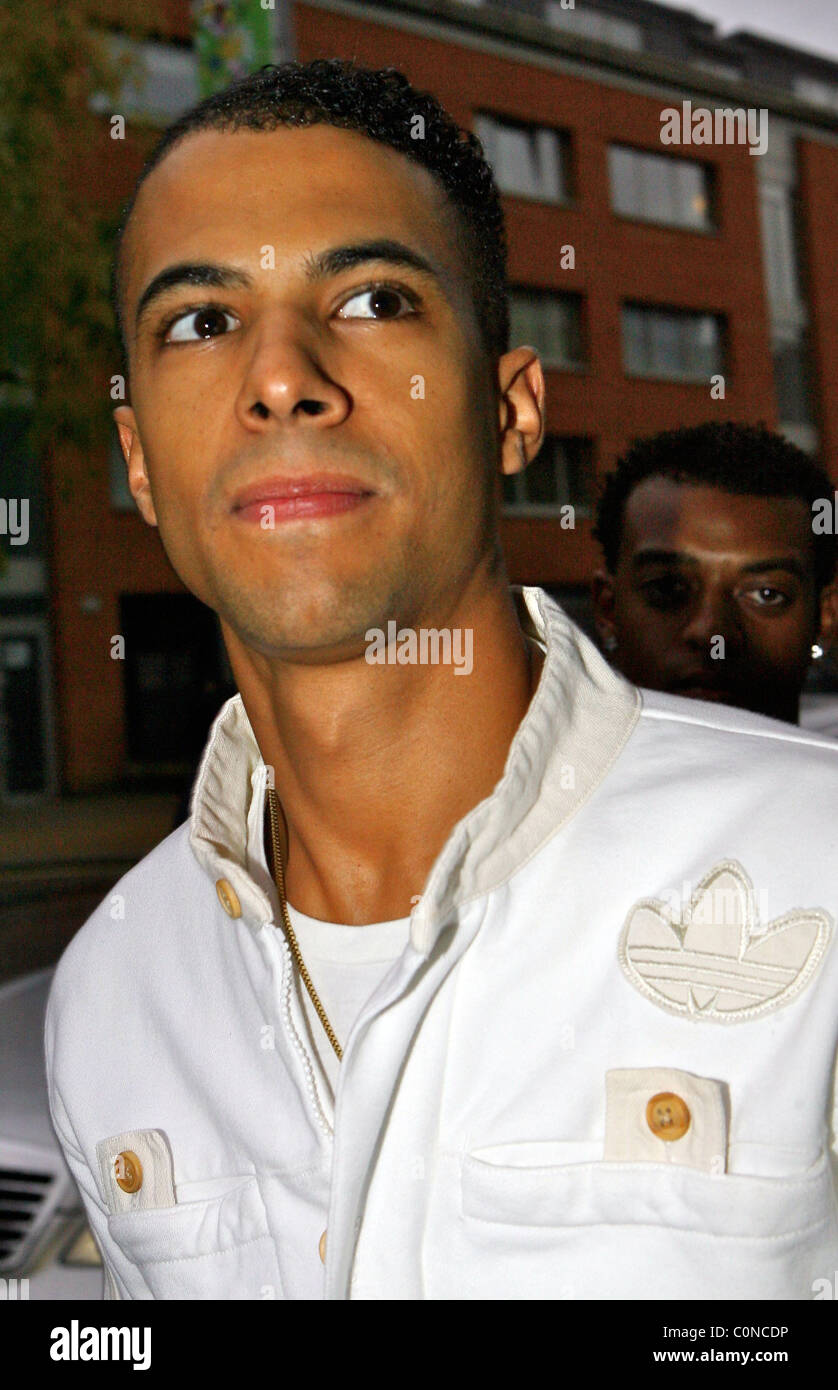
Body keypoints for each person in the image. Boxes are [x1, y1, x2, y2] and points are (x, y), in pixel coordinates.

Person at [45, 59, 838, 1302]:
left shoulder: (817, 853)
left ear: (512, 411)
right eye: (201, 321)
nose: (279, 376)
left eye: (369, 299)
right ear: (140, 465)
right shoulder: (110, 991)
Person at [591, 421, 838, 725]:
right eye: (667, 587)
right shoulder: (542, 769)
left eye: (767, 594)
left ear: (824, 617)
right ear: (607, 607)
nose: (712, 633)